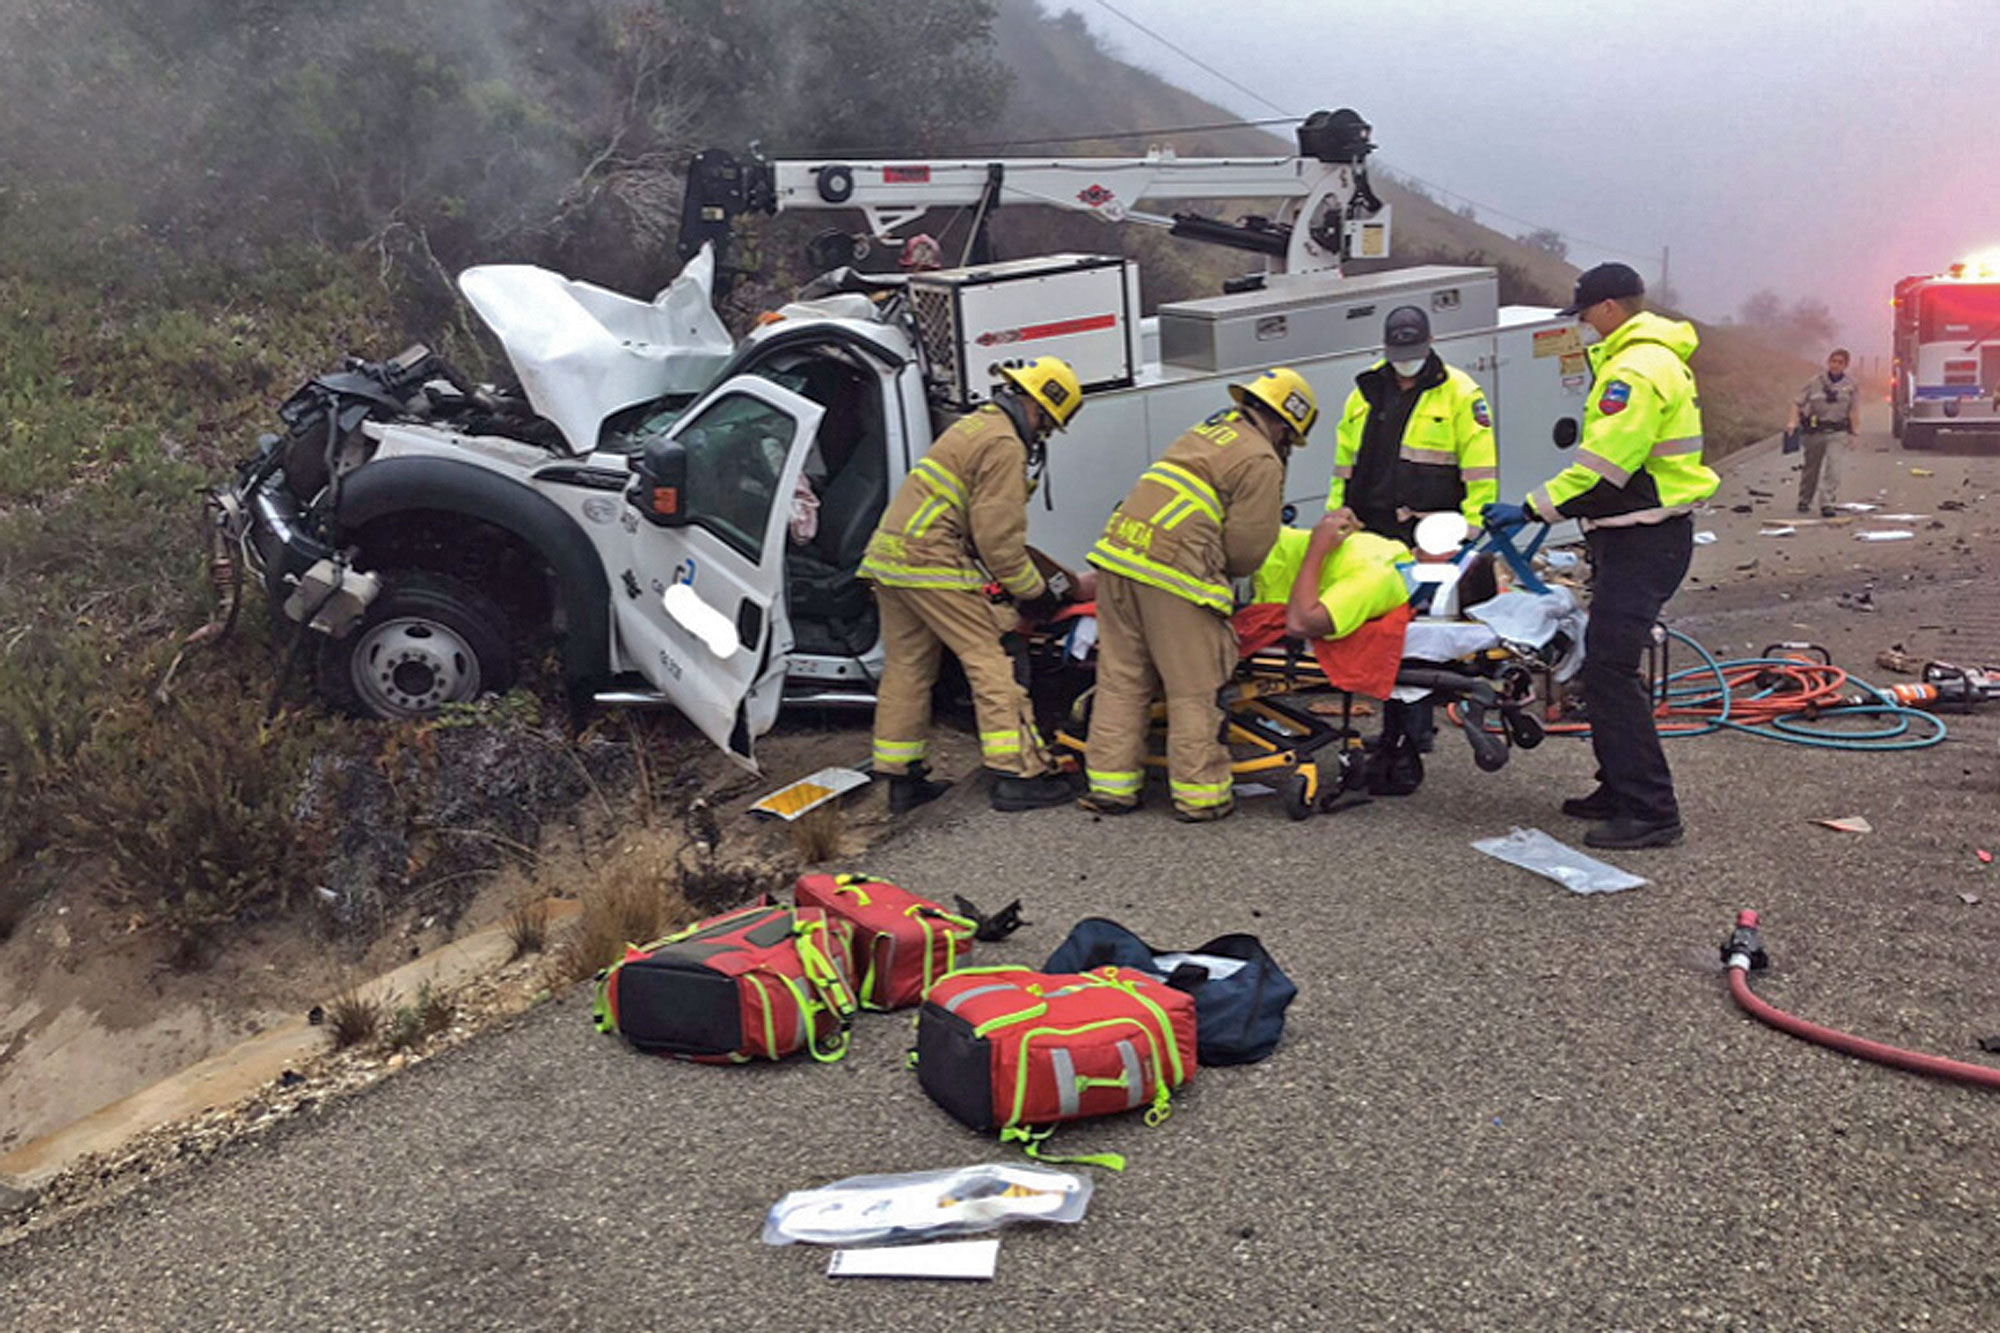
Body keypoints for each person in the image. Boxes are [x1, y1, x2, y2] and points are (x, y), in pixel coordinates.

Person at [1483, 262, 1718, 850]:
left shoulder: (1636, 368)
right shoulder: (1645, 358)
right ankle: (1617, 787)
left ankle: (1651, 810)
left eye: (1585, 314)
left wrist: (1531, 508)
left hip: (1645, 538)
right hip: (1631, 536)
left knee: (1610, 671)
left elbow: (1604, 473)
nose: (1583, 326)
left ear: (1610, 307)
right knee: (1601, 667)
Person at [1082, 367, 1315, 821]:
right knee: (1194, 685)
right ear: (1286, 426)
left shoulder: (1208, 431)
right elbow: (1246, 550)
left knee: (1122, 677)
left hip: (1117, 556)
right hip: (1173, 573)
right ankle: (1201, 795)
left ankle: (1112, 787)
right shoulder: (1261, 458)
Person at [859, 357, 1084, 813]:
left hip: (890, 558)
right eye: (1047, 427)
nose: (1042, 437)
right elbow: (998, 541)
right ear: (1040, 410)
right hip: (931, 560)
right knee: (993, 656)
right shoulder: (1004, 444)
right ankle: (1017, 773)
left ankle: (901, 777)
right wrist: (1033, 592)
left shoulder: (976, 425)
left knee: (908, 668)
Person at [1326, 305, 1498, 545]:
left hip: (1431, 532)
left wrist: (1469, 532)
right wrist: (1336, 514)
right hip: (1367, 526)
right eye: (1400, 353)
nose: (1406, 361)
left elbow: (1480, 472)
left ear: (1430, 341)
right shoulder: (1367, 391)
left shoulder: (1460, 394)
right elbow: (1343, 466)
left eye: (1413, 353)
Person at [1789, 347, 1858, 517]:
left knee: (1834, 468)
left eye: (1840, 362)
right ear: (1828, 362)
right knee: (1811, 469)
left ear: (1846, 365)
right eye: (1833, 361)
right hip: (1815, 431)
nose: (1835, 365)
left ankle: (1827, 502)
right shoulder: (1814, 382)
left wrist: (1854, 433)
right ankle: (1804, 499)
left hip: (1838, 432)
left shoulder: (1851, 386)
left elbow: (1853, 410)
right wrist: (1792, 422)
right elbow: (1797, 402)